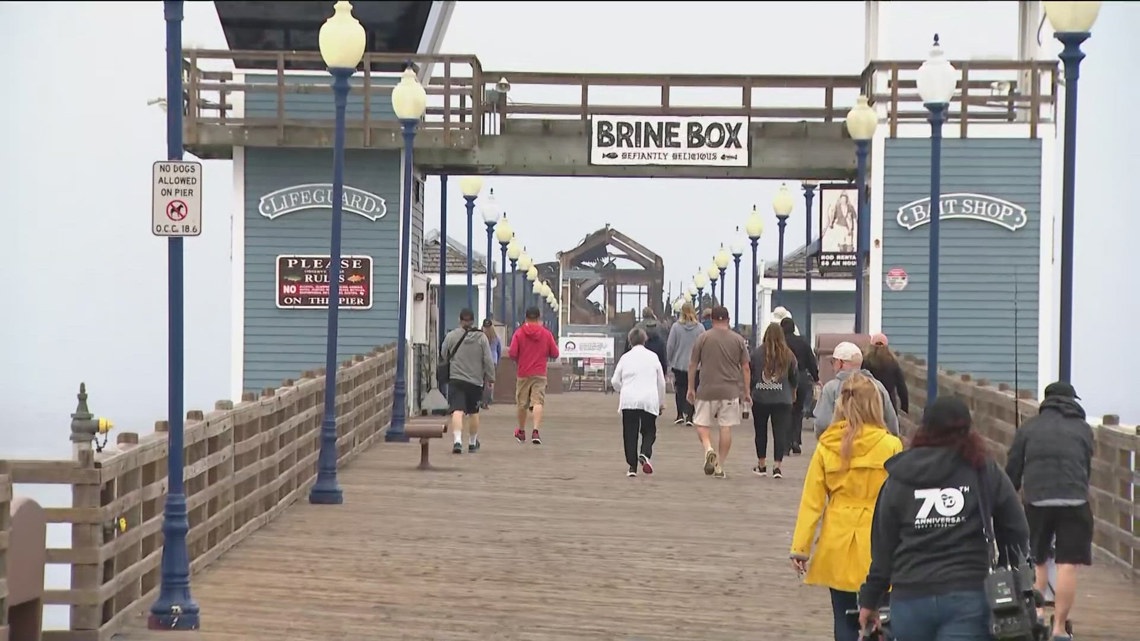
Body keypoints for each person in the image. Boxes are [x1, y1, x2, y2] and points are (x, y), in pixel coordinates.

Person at [858, 396, 1031, 641]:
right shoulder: (982, 470)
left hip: (910, 596)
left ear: (924, 428)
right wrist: (1005, 568)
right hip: (968, 592)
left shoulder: (899, 477)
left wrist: (870, 599)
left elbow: (883, 546)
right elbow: (1017, 528)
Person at [791, 372, 902, 641]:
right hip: (880, 541)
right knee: (882, 619)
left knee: (843, 617)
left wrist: (801, 547)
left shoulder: (827, 445)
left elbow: (812, 500)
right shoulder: (890, 445)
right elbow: (901, 500)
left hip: (838, 539)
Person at [1004, 381, 1094, 640]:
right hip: (1074, 500)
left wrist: (1009, 500)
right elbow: (1085, 467)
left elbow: (1013, 469)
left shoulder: (1029, 427)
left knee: (1037, 558)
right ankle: (1059, 629)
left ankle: (1038, 617)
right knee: (1067, 564)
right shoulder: (1083, 428)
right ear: (1072, 402)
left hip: (1037, 499)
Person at [687, 306, 750, 479]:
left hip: (707, 389)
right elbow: (745, 367)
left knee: (701, 423)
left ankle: (708, 448)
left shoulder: (703, 338)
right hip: (730, 391)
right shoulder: (738, 340)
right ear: (728, 319)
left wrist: (690, 387)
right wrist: (746, 391)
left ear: (712, 320)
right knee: (725, 426)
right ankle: (720, 465)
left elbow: (693, 364)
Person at [439, 308, 497, 454]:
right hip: (475, 382)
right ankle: (472, 442)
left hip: (456, 379)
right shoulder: (481, 338)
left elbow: (443, 353)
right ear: (473, 321)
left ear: (460, 320)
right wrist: (491, 378)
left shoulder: (451, 336)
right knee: (473, 412)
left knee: (457, 411)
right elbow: (488, 360)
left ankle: (457, 441)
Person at [611, 327, 667, 477]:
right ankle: (645, 453)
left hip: (629, 400)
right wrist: (661, 402)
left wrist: (623, 389)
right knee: (649, 430)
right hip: (649, 399)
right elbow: (661, 382)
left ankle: (632, 466)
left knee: (630, 432)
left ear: (630, 341)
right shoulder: (653, 357)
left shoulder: (625, 358)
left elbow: (615, 381)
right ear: (645, 340)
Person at [814, 342, 898, 436]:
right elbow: (891, 422)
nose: (833, 367)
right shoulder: (878, 387)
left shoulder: (830, 389)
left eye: (833, 362)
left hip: (841, 446)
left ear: (840, 363)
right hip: (873, 444)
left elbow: (822, 423)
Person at [749, 323, 798, 479]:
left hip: (760, 397)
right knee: (780, 432)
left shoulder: (757, 353)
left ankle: (761, 464)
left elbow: (752, 374)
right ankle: (777, 467)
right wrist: (793, 392)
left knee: (760, 431)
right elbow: (794, 376)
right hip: (782, 399)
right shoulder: (789, 354)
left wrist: (751, 390)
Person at [508, 306, 560, 445]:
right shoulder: (546, 334)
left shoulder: (519, 333)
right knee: (538, 402)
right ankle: (535, 431)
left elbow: (512, 353)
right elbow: (555, 353)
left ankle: (521, 430)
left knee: (522, 403)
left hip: (523, 373)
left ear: (526, 317)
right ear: (539, 318)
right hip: (540, 373)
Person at [781, 317, 818, 455]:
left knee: (785, 412)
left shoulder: (780, 343)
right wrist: (816, 377)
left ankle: (785, 444)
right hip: (801, 377)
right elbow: (811, 361)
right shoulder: (802, 342)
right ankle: (796, 440)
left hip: (783, 379)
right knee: (798, 411)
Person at [666, 302, 705, 426]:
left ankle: (679, 414)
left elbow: (670, 345)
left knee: (680, 389)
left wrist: (670, 360)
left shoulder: (676, 327)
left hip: (679, 364)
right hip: (696, 364)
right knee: (692, 389)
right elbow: (704, 345)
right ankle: (689, 415)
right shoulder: (700, 328)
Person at [862, 333, 908, 416]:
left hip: (869, 404)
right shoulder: (893, 363)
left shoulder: (865, 363)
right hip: (889, 404)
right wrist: (904, 407)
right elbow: (902, 386)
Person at [480, 318, 502, 409]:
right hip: (493, 361)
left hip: (482, 361)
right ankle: (486, 401)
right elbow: (499, 350)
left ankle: (480, 400)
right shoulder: (496, 337)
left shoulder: (480, 336)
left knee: (480, 381)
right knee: (489, 382)